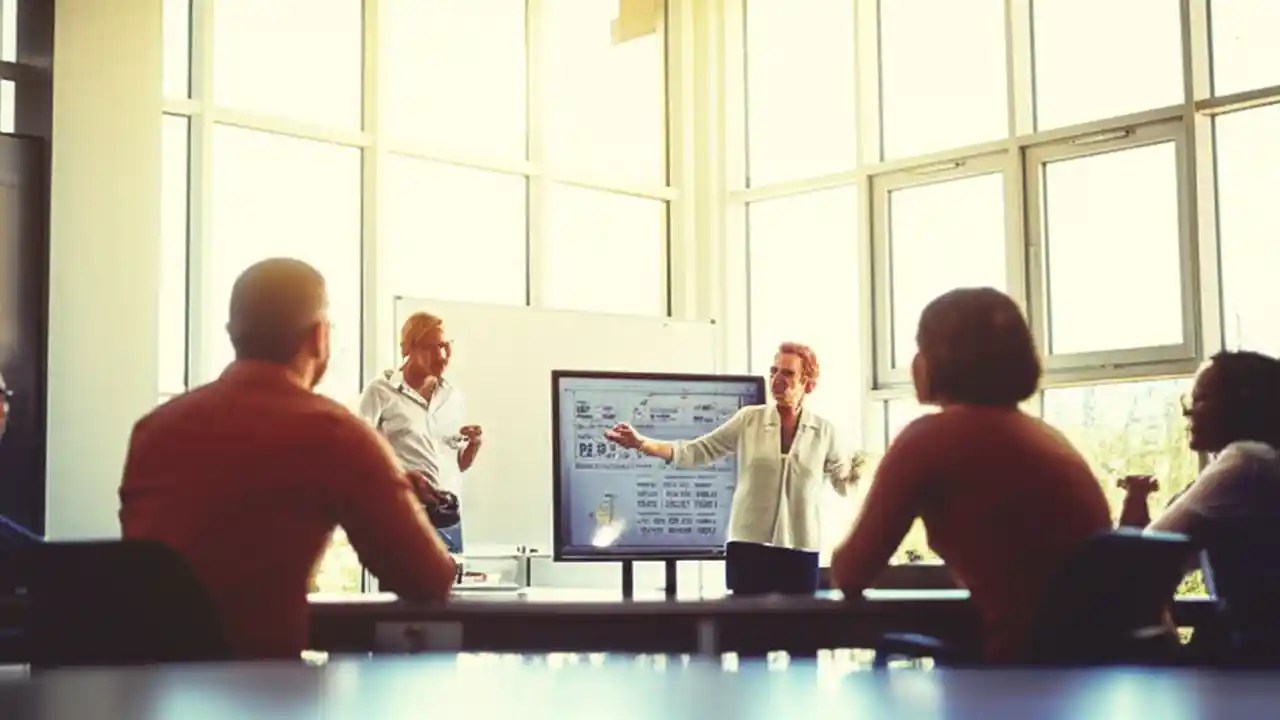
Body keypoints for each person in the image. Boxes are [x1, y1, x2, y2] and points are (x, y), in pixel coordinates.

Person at [119, 258, 456, 659]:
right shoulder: (336, 434)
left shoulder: (153, 431)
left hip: (151, 697)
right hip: (265, 695)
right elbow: (428, 578)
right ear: (319, 337)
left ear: (234, 334)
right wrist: (394, 487)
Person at [830, 287, 1111, 663]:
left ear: (939, 361)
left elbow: (850, 573)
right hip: (1087, 682)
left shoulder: (929, 439)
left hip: (1015, 684)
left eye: (922, 347)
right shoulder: (1048, 439)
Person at [604, 342, 861, 555]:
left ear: (808, 383)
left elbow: (846, 482)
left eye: (788, 373)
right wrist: (642, 443)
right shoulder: (749, 419)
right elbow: (697, 451)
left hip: (801, 548)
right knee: (744, 615)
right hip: (748, 546)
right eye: (774, 372)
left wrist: (872, 473)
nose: (777, 380)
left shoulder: (824, 432)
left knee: (798, 617)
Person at [1120, 350, 1280, 657]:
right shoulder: (1264, 461)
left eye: (1202, 399)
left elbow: (1142, 555)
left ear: (1243, 405)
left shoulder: (1246, 460)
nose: (1188, 413)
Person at [358, 311, 482, 553]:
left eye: (445, 346)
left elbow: (458, 465)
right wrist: (403, 481)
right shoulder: (380, 392)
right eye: (431, 347)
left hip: (448, 519)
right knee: (405, 589)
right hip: (404, 516)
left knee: (452, 590)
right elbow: (359, 458)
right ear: (407, 349)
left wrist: (474, 445)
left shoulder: (452, 396)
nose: (441, 355)